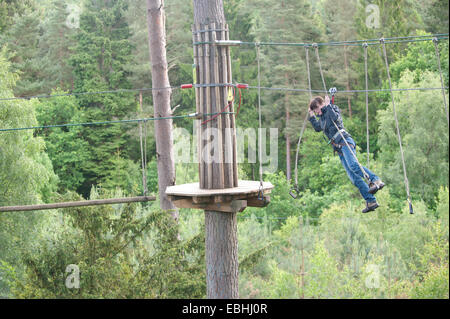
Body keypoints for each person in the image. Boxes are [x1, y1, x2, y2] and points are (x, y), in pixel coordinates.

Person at [308, 95, 385, 213]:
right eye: (315, 111)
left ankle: (376, 180)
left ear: (322, 104)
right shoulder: (322, 118)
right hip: (339, 148)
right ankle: (371, 201)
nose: (317, 112)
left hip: (345, 142)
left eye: (317, 109)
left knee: (353, 165)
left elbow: (334, 118)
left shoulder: (332, 109)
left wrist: (328, 106)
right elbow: (318, 128)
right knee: (354, 178)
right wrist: (311, 116)